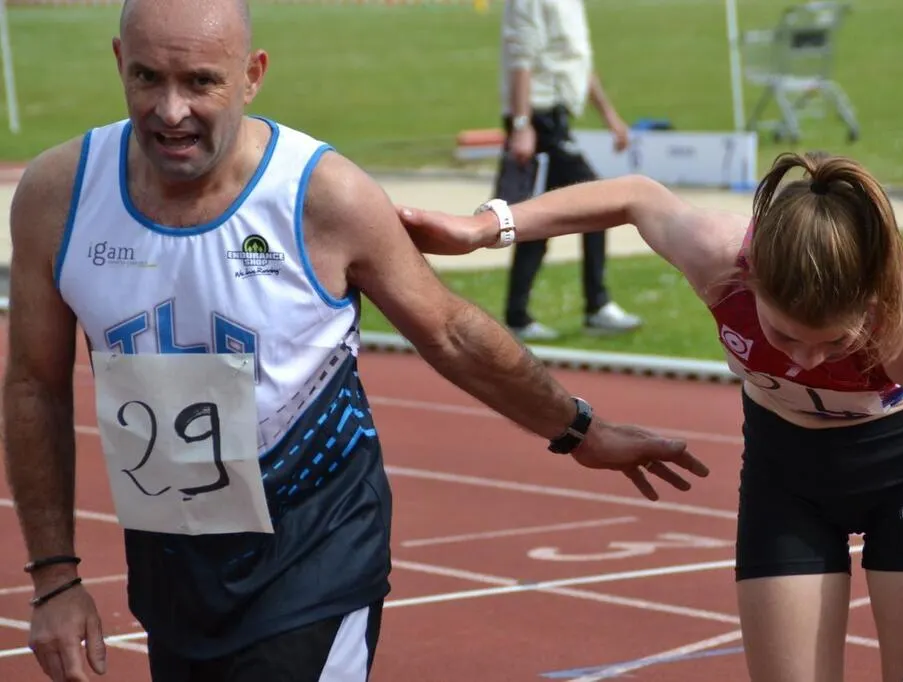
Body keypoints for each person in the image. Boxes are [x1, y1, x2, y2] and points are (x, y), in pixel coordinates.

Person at [0, 1, 711, 681]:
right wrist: (55, 578)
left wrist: (580, 428)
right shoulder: (59, 196)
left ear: (252, 75)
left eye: (201, 82)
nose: (171, 110)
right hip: (172, 570)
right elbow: (33, 382)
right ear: (119, 61)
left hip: (317, 552)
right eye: (147, 78)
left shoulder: (322, 196)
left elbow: (450, 331)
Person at [397, 153, 903, 682]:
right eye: (783, 334)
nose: (805, 360)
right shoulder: (716, 254)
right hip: (787, 477)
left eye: (833, 345)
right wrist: (483, 229)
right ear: (749, 276)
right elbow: (634, 195)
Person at [495, 0, 642, 341]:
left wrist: (610, 116)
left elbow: (576, 63)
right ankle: (596, 305)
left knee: (538, 218)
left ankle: (520, 314)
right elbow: (521, 57)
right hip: (538, 119)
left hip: (557, 116)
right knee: (597, 201)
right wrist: (521, 125)